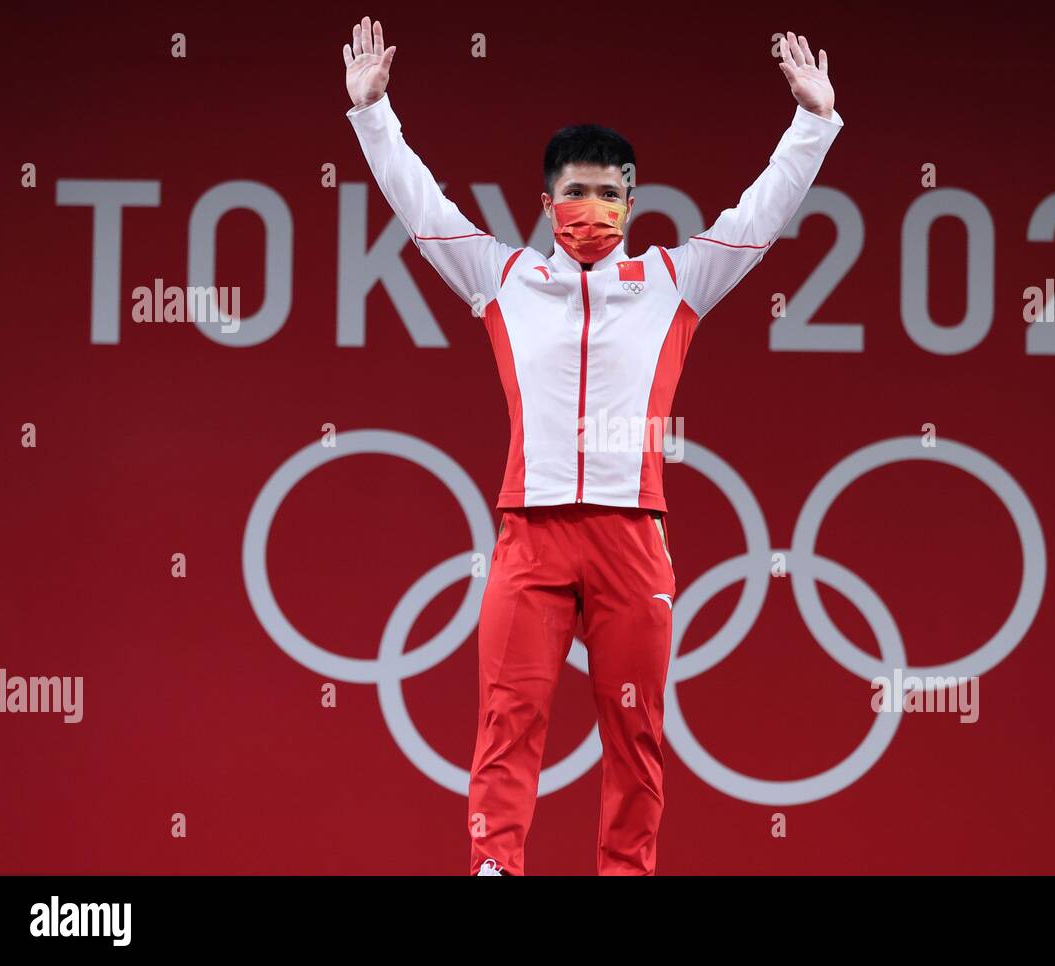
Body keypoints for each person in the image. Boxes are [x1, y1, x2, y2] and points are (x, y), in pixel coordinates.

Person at [342, 15, 841, 875]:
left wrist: (813, 123)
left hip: (631, 537)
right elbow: (421, 209)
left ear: (633, 202)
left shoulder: (675, 281)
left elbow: (762, 216)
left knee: (636, 735)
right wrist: (373, 114)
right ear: (545, 204)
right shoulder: (503, 276)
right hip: (529, 535)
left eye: (613, 194)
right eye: (578, 192)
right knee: (509, 721)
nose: (595, 210)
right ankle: (495, 869)